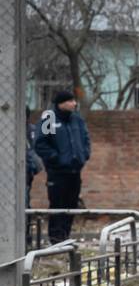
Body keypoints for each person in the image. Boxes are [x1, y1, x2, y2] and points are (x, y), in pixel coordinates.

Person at [33, 90, 91, 242]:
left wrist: (83, 156)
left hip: (74, 170)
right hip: (57, 172)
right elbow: (41, 144)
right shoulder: (49, 118)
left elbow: (85, 140)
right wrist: (55, 159)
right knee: (57, 204)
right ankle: (55, 239)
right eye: (71, 101)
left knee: (71, 204)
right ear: (61, 103)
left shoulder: (76, 119)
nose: (74, 104)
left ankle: (66, 237)